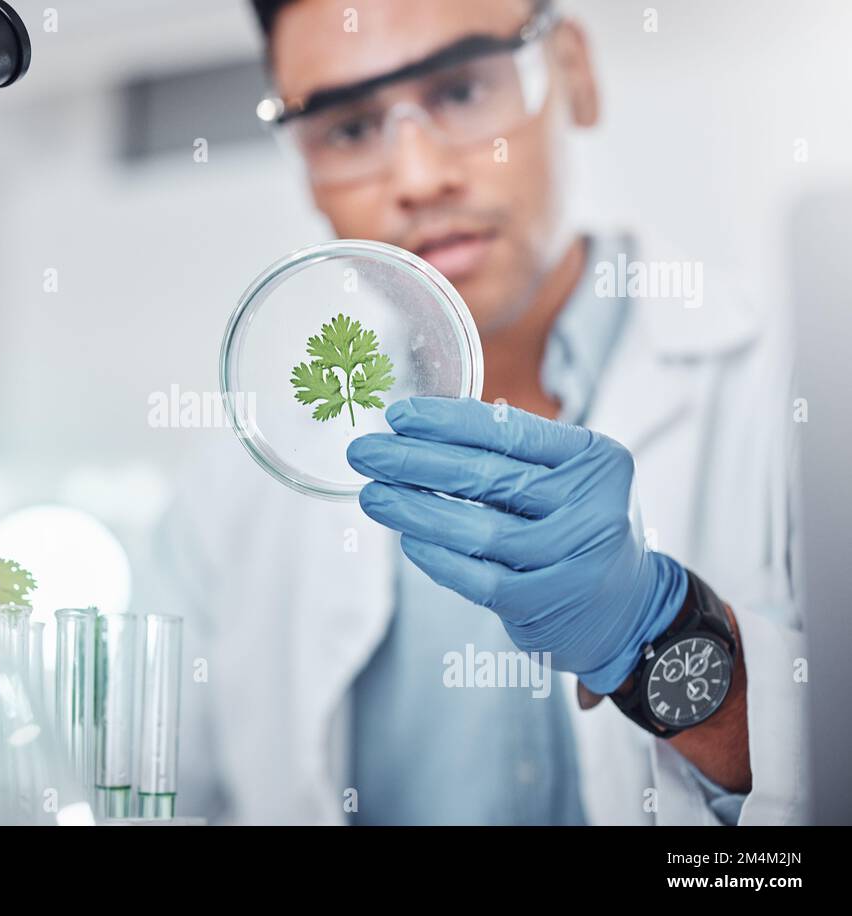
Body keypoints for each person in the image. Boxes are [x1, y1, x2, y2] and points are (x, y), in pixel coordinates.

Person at [144, 0, 807, 825]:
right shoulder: (230, 498)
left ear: (574, 72)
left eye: (460, 91)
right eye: (349, 130)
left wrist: (657, 636)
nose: (419, 177)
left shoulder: (795, 392)